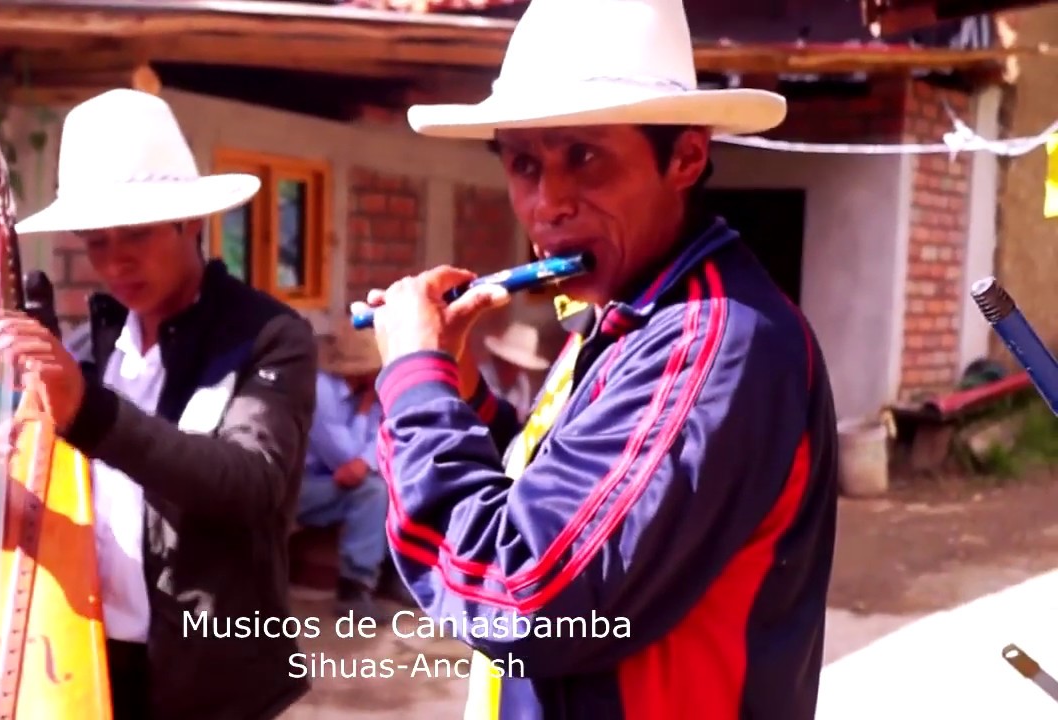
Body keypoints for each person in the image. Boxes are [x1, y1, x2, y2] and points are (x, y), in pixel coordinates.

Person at [353, 0, 840, 718]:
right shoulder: (629, 310)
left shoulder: (707, 342)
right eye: (523, 164)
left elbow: (522, 594)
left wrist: (416, 389)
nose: (548, 204)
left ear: (686, 157)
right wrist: (460, 394)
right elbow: (570, 499)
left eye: (585, 157)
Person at [0, 89, 318, 720]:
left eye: (135, 233)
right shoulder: (90, 348)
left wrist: (90, 412)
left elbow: (251, 482)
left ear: (190, 222)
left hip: (210, 678)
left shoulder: (269, 336)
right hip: (85, 655)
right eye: (96, 241)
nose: (116, 262)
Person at [297, 318, 389, 618]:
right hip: (297, 486)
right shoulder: (320, 392)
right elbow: (345, 458)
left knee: (397, 482)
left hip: (334, 483)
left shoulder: (368, 392)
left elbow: (383, 439)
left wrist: (365, 461)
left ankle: (391, 575)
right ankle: (354, 586)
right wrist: (364, 419)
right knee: (373, 492)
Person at [478, 321, 550, 421]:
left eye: (519, 366)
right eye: (512, 365)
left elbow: (522, 415)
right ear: (499, 360)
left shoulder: (521, 383)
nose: (516, 370)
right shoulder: (480, 378)